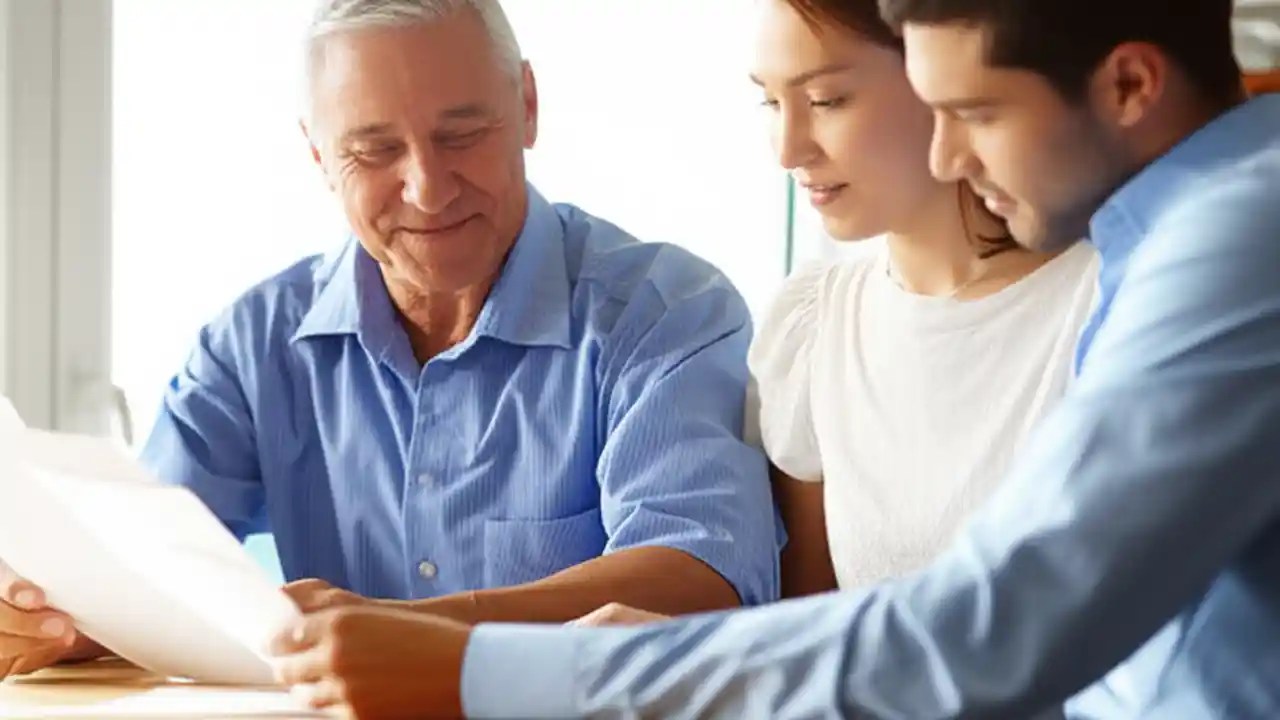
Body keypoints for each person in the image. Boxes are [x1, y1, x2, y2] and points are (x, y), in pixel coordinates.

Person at [266, 0, 1280, 718]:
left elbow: (1001, 621)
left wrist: (486, 672)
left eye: (973, 115)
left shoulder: (1237, 239)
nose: (945, 157)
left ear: (1130, 83)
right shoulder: (1182, 236)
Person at [0, 0, 782, 681]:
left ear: (529, 105)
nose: (428, 189)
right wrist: (55, 619)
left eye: (463, 133)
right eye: (374, 150)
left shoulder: (665, 312)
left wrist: (417, 633)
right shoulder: (251, 345)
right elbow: (146, 578)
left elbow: (702, 575)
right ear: (319, 157)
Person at [577, 0, 1097, 633]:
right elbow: (811, 638)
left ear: (943, 78)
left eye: (825, 101)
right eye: (771, 103)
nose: (789, 149)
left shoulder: (1103, 302)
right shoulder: (817, 326)